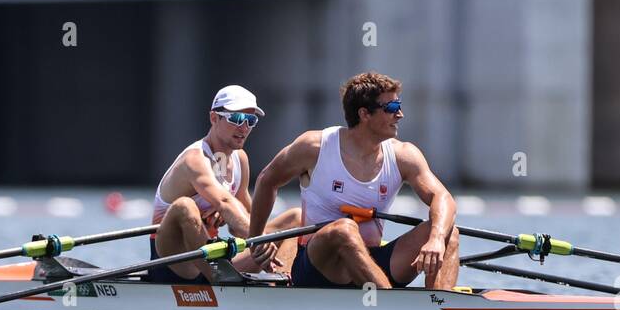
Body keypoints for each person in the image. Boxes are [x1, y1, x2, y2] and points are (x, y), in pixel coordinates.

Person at [247, 71, 460, 290]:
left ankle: (438, 306)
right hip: (319, 269)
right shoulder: (314, 147)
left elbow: (442, 197)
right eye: (392, 108)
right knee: (344, 229)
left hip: (372, 261)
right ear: (364, 114)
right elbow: (266, 180)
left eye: (399, 105)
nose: (400, 115)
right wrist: (255, 240)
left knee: (448, 232)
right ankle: (387, 304)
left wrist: (435, 239)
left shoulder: (404, 155)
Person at [149, 85, 301, 284]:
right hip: (173, 260)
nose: (244, 127)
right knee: (185, 206)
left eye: (251, 121)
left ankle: (283, 284)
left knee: (295, 218)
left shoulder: (240, 160)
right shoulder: (194, 160)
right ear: (214, 118)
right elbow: (225, 202)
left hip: (213, 254)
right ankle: (219, 281)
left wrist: (257, 237)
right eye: (236, 119)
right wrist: (260, 240)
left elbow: (244, 224)